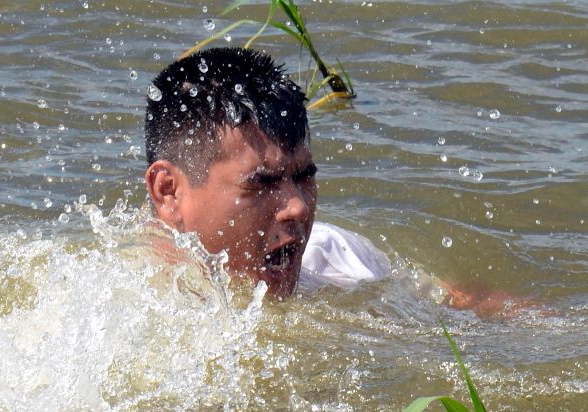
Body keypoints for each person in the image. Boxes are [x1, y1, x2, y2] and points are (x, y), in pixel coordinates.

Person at [143, 47, 521, 315]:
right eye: (261, 184)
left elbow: (467, 304)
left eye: (303, 178)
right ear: (168, 192)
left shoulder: (337, 254)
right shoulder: (114, 313)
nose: (298, 207)